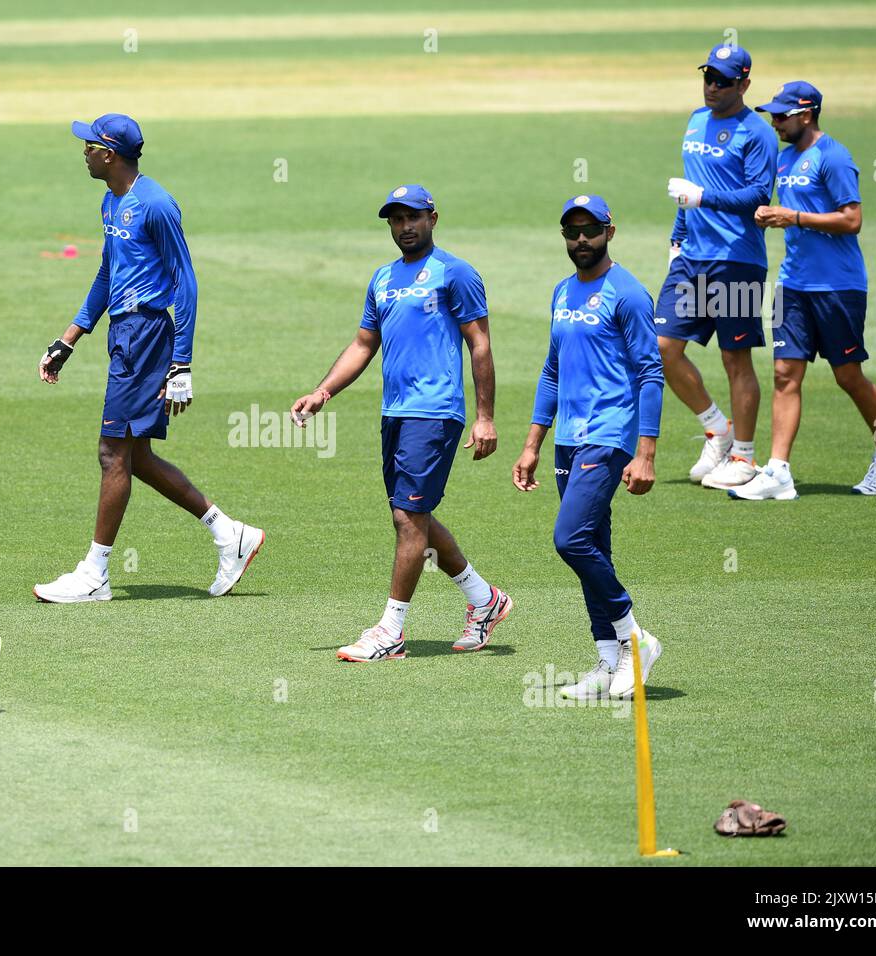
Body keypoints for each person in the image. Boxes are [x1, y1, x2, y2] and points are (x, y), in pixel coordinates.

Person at [35, 114, 264, 602]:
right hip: (124, 333)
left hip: (147, 335)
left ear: (110, 154)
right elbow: (106, 274)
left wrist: (182, 363)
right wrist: (69, 338)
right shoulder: (110, 200)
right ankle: (230, 534)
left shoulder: (156, 204)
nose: (84, 153)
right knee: (134, 455)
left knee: (111, 452)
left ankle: (95, 573)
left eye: (89, 146)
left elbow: (187, 282)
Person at [290, 185, 512, 662]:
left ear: (433, 218)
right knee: (416, 515)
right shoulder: (383, 279)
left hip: (435, 412)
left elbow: (480, 343)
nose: (405, 226)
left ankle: (391, 630)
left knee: (407, 517)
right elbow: (363, 345)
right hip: (394, 412)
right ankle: (485, 600)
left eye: (413, 217)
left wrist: (485, 417)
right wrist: (323, 390)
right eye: (396, 219)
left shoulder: (455, 273)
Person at [512, 196, 663, 700]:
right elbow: (552, 370)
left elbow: (650, 374)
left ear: (609, 232)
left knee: (570, 539)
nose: (581, 239)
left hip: (610, 434)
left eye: (590, 230)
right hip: (567, 440)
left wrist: (646, 453)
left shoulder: (629, 294)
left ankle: (634, 637)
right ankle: (608, 660)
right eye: (572, 231)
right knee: (594, 547)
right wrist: (533, 442)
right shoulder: (561, 291)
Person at [730, 82, 876, 499]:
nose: (774, 122)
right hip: (792, 284)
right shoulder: (784, 156)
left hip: (838, 286)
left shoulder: (834, 157)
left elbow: (851, 220)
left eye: (781, 115)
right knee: (783, 374)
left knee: (849, 376)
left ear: (806, 114)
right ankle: (778, 472)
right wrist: (767, 215)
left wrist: (793, 216)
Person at [657, 43, 778, 490]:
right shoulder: (695, 119)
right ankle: (717, 429)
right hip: (691, 257)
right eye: (708, 76)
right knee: (663, 346)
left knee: (735, 357)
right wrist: (677, 234)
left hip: (736, 259)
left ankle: (744, 458)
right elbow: (688, 187)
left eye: (723, 80)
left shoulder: (757, 133)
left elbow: (758, 197)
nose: (712, 86)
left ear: (744, 84)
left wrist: (702, 199)